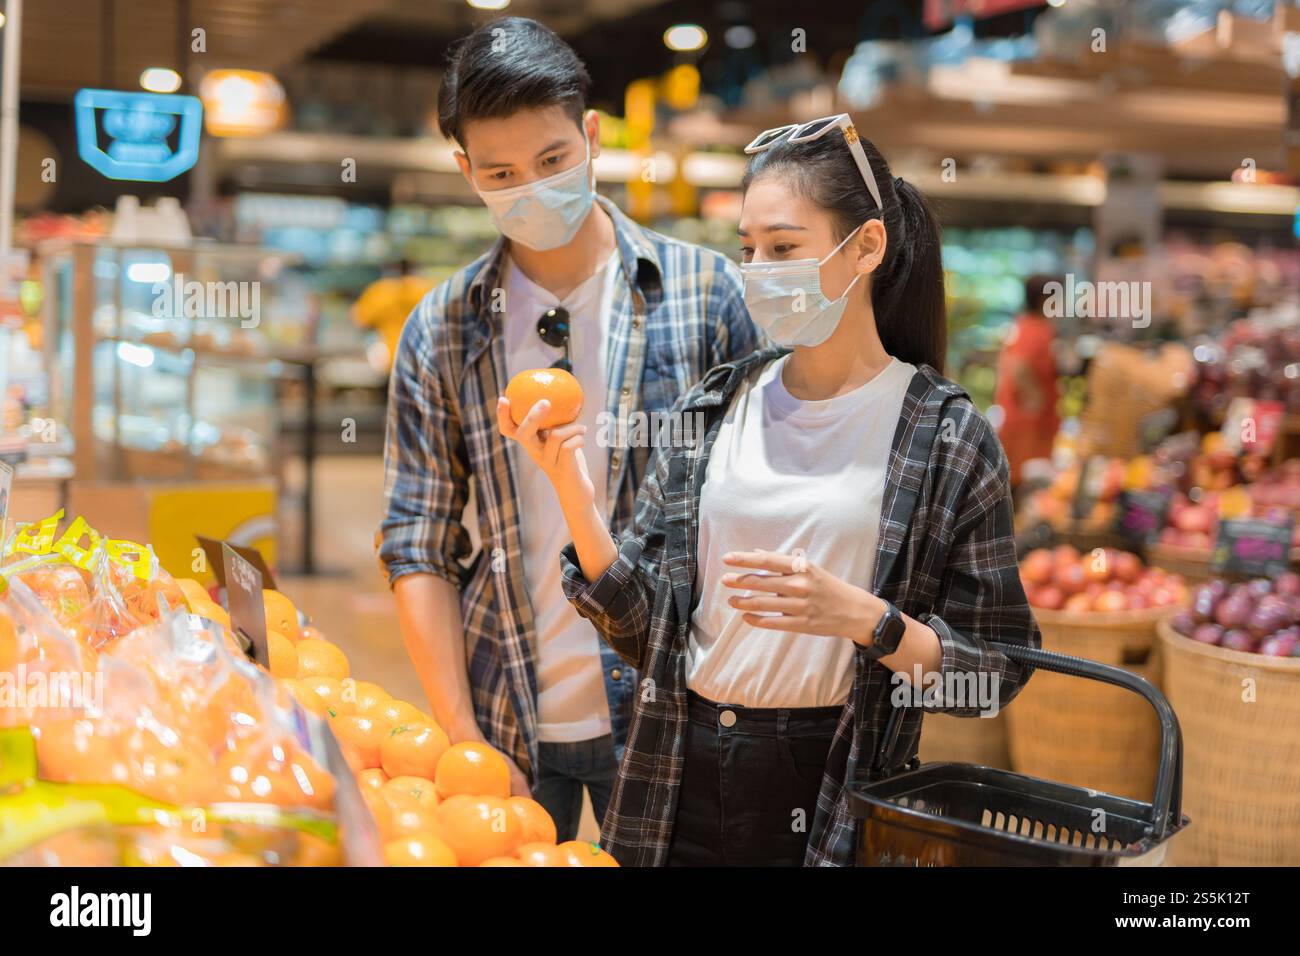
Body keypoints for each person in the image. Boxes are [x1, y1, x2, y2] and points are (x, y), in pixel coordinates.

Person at [502, 114, 1040, 866]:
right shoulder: (716, 406)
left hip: (830, 782)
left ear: (868, 246)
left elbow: (994, 674)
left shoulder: (945, 437)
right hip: (676, 768)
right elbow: (646, 628)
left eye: (784, 248)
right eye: (748, 250)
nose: (758, 272)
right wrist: (573, 491)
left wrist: (867, 620)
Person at [377, 17, 760, 842]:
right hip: (505, 708)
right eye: (503, 173)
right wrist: (463, 737)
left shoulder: (709, 294)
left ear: (590, 136)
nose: (534, 188)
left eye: (553, 161)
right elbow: (418, 541)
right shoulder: (440, 330)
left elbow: (761, 508)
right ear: (465, 171)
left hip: (674, 707)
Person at [995, 275, 1061, 486]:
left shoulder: (1023, 326)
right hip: (1028, 426)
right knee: (1023, 483)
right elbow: (1017, 364)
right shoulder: (1036, 330)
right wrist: (1035, 398)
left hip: (1020, 421)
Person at [352, 259, 436, 372]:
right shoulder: (428, 288)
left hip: (388, 358)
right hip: (424, 357)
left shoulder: (380, 290)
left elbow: (359, 321)